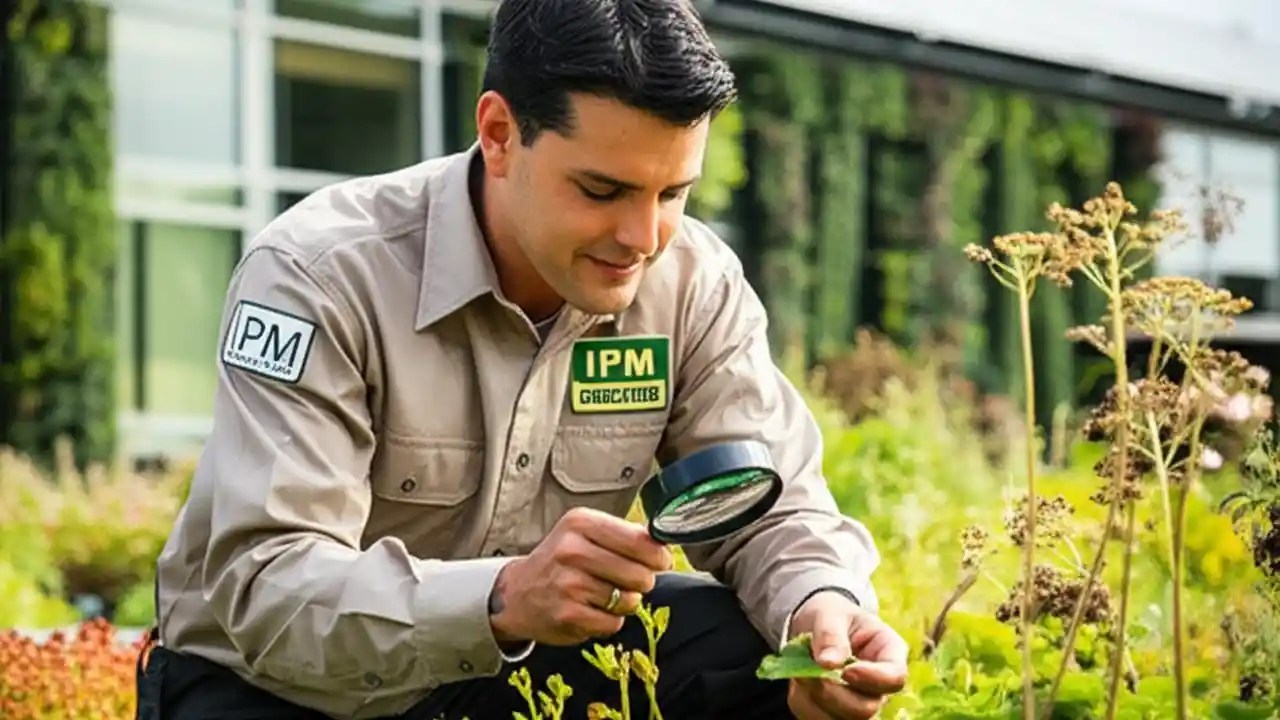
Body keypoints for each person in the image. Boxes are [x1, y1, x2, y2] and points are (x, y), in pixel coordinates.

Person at [133, 0, 908, 718]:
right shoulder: (318, 275)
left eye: (673, 193)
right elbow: (265, 588)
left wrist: (820, 608)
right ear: (500, 134)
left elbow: (773, 511)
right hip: (279, 691)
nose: (644, 237)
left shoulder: (692, 284)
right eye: (603, 189)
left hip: (515, 674)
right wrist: (499, 597)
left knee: (760, 652)